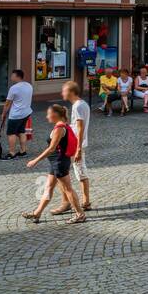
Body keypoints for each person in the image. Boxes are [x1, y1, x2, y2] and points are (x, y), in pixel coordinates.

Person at [23, 103, 84, 224]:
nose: (47, 117)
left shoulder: (60, 128)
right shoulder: (62, 125)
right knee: (49, 187)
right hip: (56, 162)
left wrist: (35, 160)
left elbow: (51, 148)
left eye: (48, 114)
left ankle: (80, 214)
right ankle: (37, 213)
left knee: (68, 189)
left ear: (56, 114)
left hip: (59, 162)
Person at [55, 80, 92, 215]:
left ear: (71, 92)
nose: (62, 93)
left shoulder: (78, 106)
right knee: (76, 172)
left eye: (64, 90)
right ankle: (85, 201)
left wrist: (78, 149)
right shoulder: (81, 105)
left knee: (67, 173)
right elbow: (76, 127)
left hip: (75, 145)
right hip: (76, 144)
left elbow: (80, 128)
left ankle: (70, 203)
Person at [1, 69, 33, 157]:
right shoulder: (29, 85)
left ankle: (12, 153)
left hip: (16, 115)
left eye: (12, 75)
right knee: (21, 131)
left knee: (11, 133)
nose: (11, 77)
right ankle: (23, 151)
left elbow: (7, 103)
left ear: (17, 76)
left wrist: (3, 114)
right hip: (26, 112)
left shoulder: (14, 88)